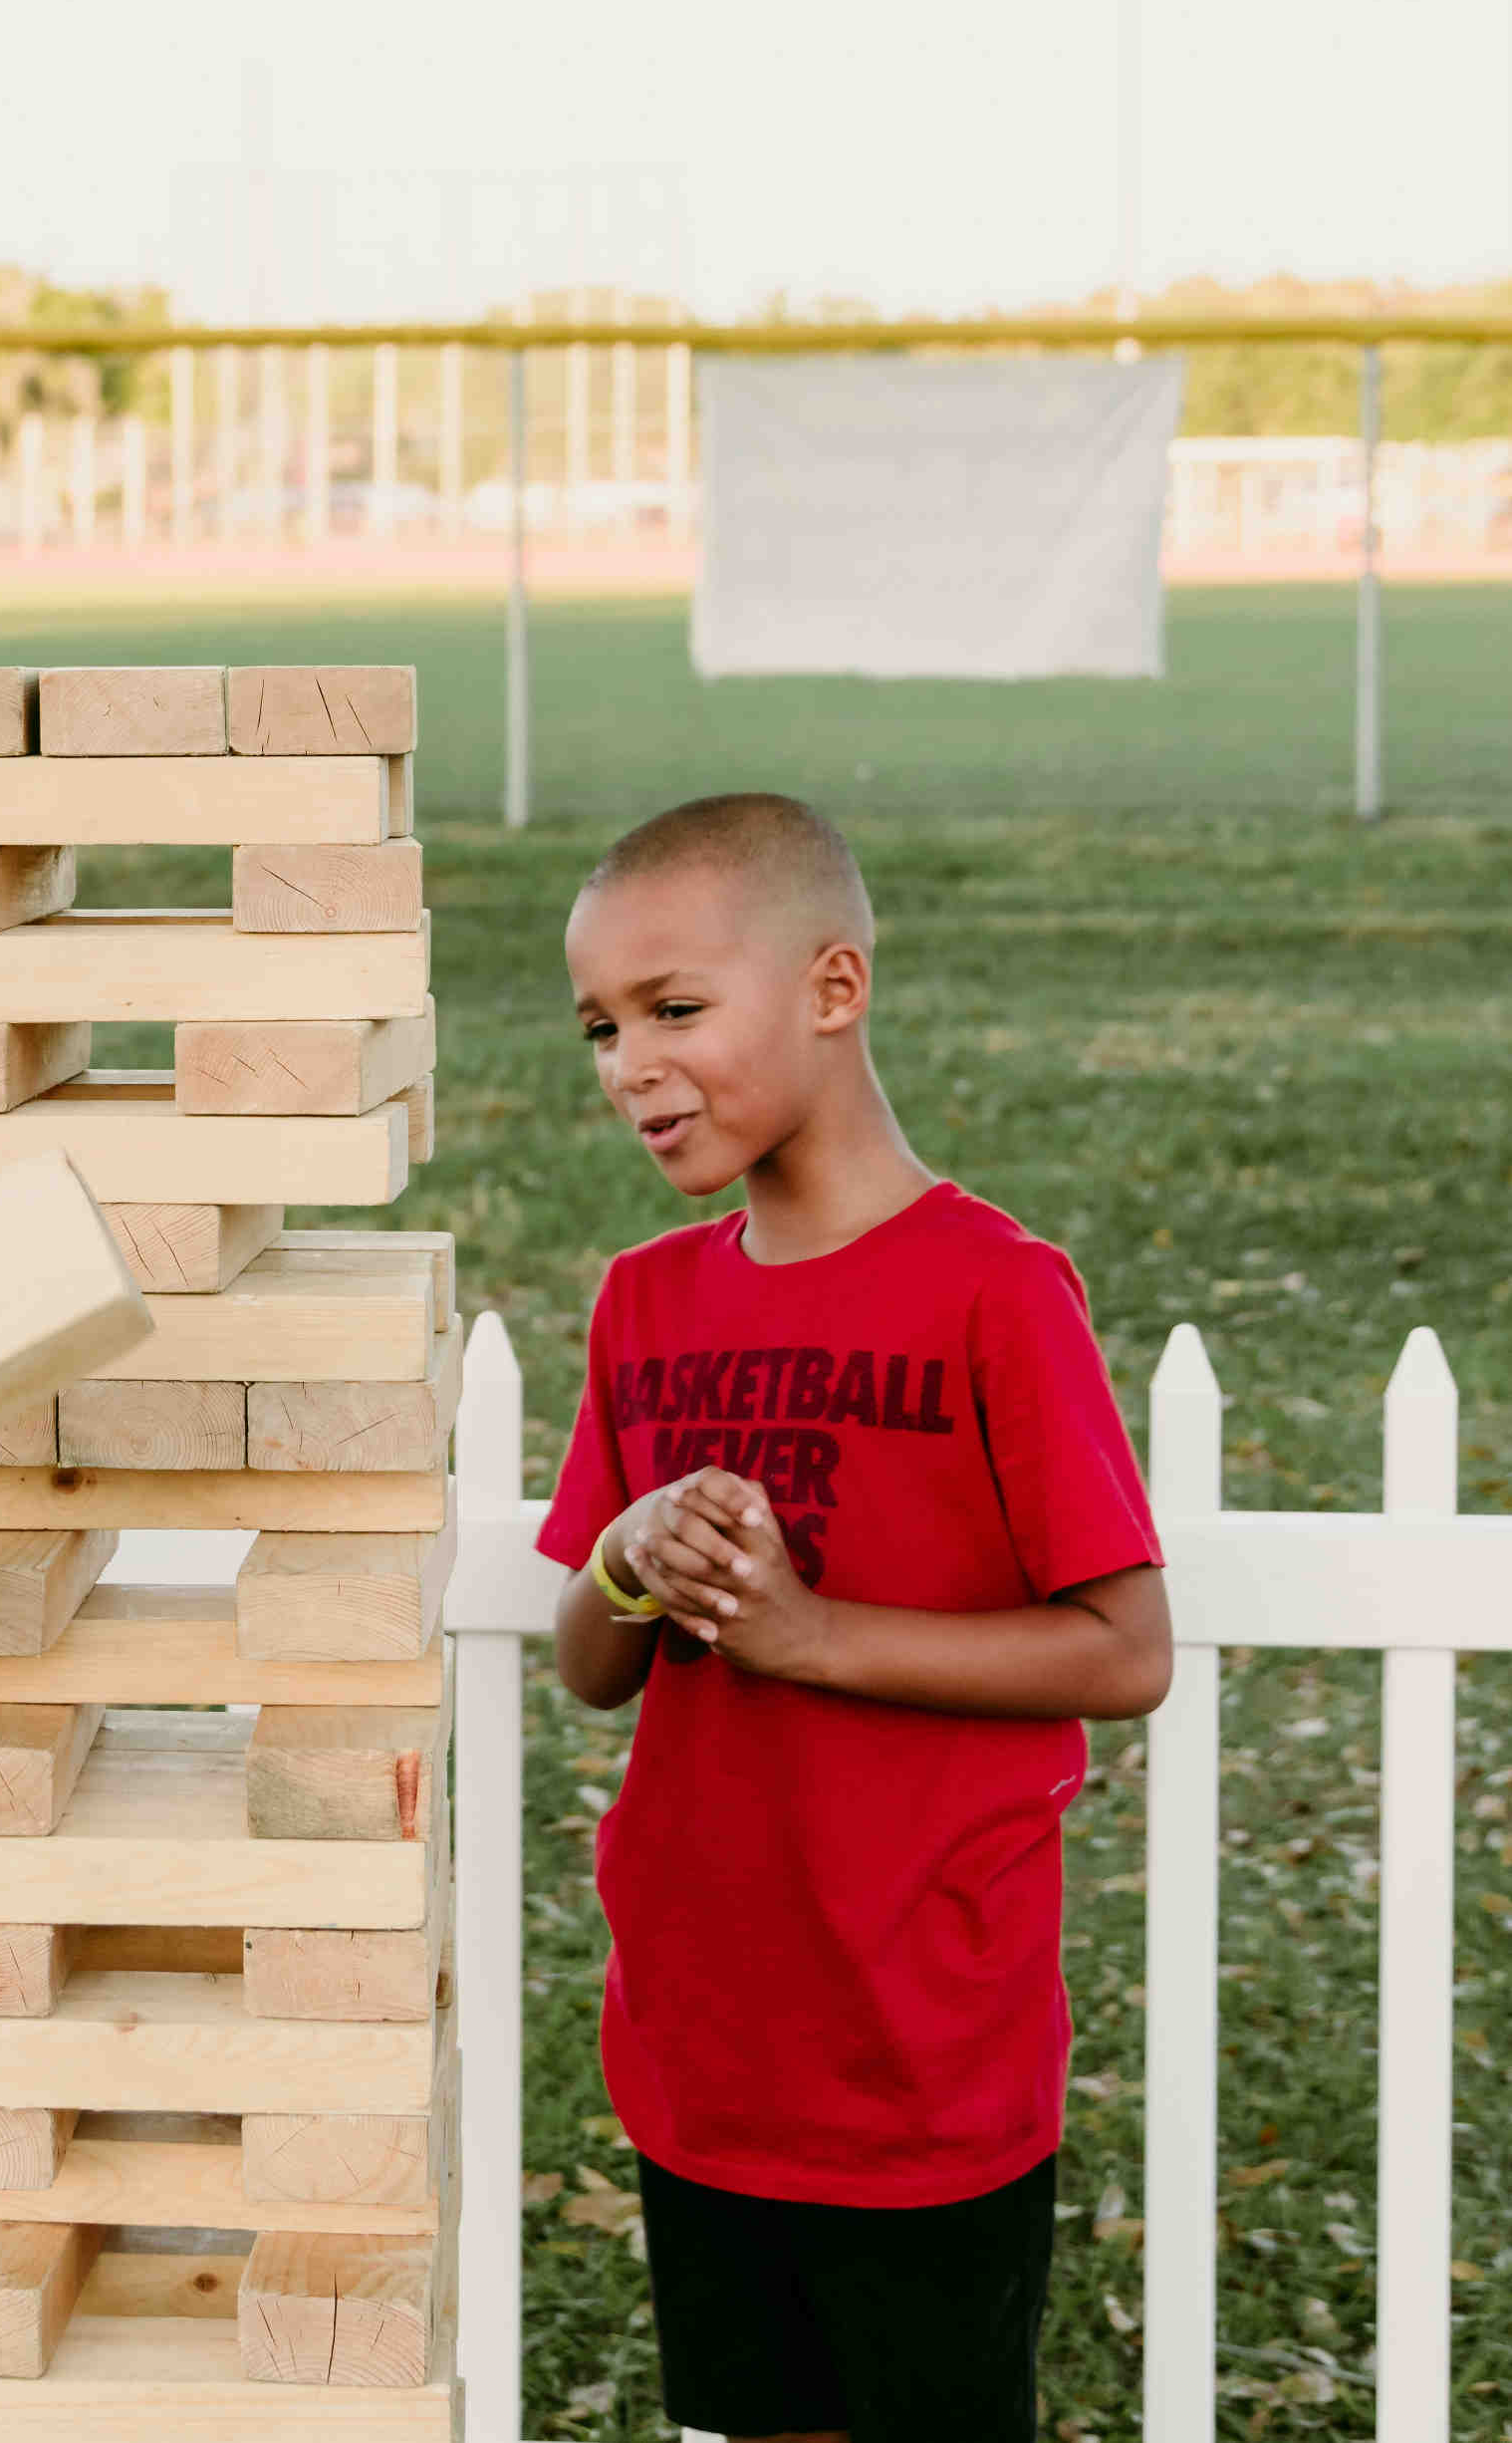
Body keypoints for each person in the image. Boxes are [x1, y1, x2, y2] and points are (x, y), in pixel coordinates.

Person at [538, 793, 1170, 2443]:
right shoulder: (645, 1304)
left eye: (675, 1008)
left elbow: (1123, 1648)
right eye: (601, 1025)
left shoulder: (992, 1290)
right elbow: (592, 1669)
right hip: (705, 2046)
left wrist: (812, 1634)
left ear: (834, 987)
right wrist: (629, 1552)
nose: (628, 1062)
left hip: (924, 2060)